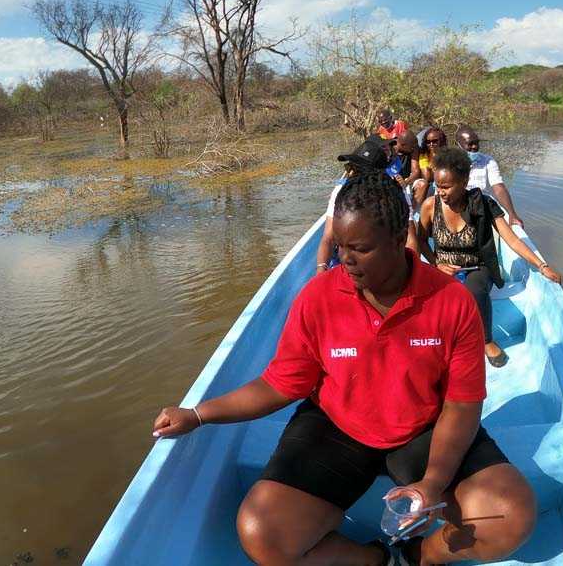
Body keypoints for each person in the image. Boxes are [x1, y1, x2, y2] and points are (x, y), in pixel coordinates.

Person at [153, 173, 537, 565]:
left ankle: (420, 556)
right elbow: (279, 385)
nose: (346, 260)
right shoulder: (318, 298)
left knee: (511, 517)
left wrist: (433, 483)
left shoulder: (451, 301)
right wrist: (199, 415)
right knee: (262, 534)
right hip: (337, 428)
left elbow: (460, 405)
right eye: (339, 247)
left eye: (360, 248)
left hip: (425, 428)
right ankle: (373, 560)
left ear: (396, 239)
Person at [418, 148, 562, 368]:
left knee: (473, 289)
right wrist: (436, 264)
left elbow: (512, 240)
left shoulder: (483, 204)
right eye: (438, 186)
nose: (441, 192)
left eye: (446, 187)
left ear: (464, 181)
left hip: (477, 266)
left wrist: (542, 266)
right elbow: (420, 241)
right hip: (444, 267)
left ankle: (486, 340)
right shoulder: (431, 206)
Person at [317, 137, 417, 273]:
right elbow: (328, 238)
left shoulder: (395, 193)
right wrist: (321, 269)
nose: (350, 173)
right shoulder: (341, 191)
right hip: (342, 262)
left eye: (355, 170)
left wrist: (411, 273)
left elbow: (410, 237)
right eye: (349, 167)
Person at [453, 126, 523, 228]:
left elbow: (498, 188)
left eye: (476, 143)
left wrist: (512, 213)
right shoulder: (450, 162)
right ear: (458, 145)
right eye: (470, 144)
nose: (474, 147)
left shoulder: (488, 161)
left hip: (481, 206)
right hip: (458, 206)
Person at [412, 126, 447, 208]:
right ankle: (415, 215)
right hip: (425, 184)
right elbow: (427, 176)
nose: (431, 144)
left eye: (435, 141)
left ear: (441, 141)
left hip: (439, 184)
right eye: (428, 142)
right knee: (423, 184)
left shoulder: (447, 155)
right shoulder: (423, 155)